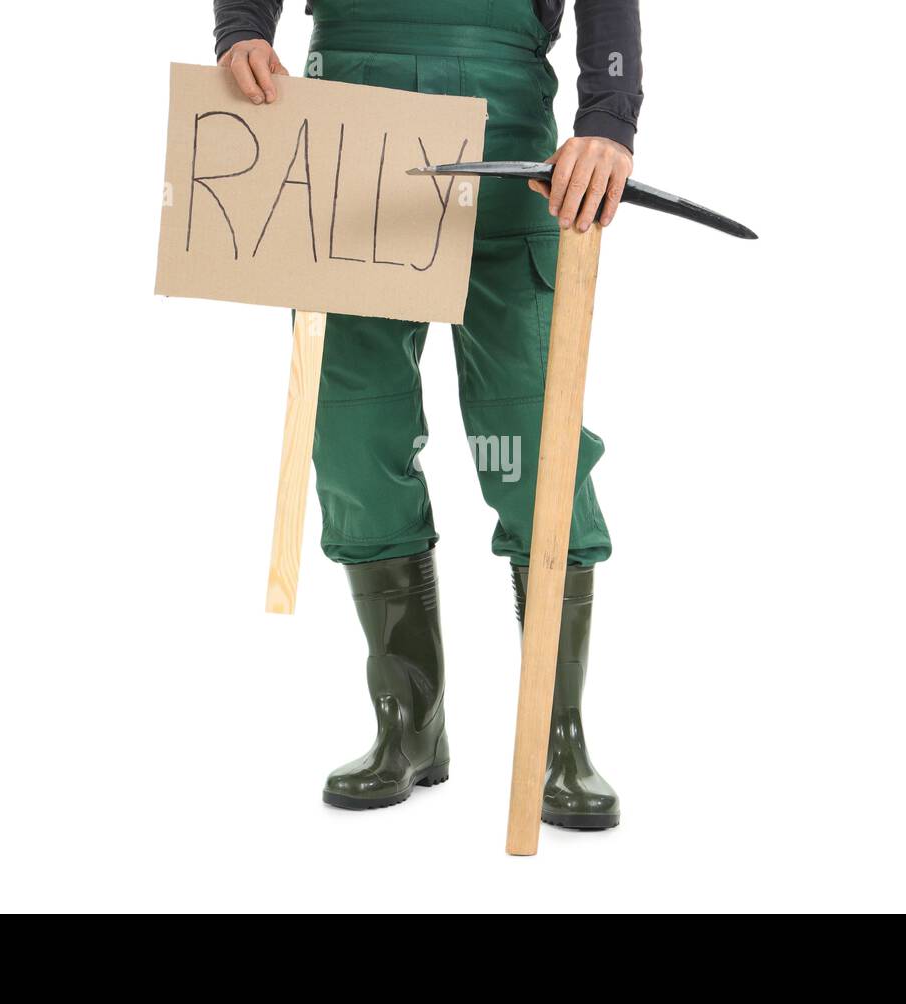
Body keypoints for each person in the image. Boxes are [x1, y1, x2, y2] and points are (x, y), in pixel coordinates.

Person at [213, 1, 643, 830]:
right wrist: (241, 31)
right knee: (353, 440)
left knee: (535, 446)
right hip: (348, 142)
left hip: (512, 143)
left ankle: (559, 738)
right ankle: (408, 724)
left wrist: (608, 119)